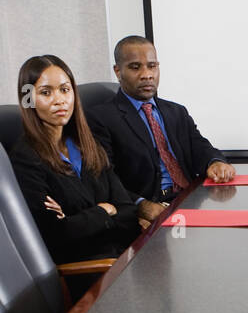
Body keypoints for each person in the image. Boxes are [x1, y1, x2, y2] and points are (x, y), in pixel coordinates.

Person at [9, 55, 143, 265]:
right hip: (90, 270)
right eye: (46, 92)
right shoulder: (26, 158)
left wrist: (80, 220)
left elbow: (128, 212)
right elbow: (56, 235)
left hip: (125, 256)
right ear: (28, 99)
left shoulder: (87, 144)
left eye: (65, 89)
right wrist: (105, 210)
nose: (59, 100)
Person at [87, 36, 233, 218]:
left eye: (152, 66)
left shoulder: (176, 111)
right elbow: (105, 178)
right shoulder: (101, 118)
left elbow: (200, 147)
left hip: (190, 200)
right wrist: (140, 205)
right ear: (118, 71)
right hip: (151, 209)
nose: (147, 74)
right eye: (135, 67)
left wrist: (215, 161)